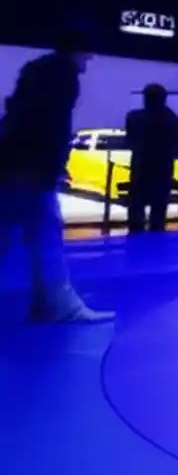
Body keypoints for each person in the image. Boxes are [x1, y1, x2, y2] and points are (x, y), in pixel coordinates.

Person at [0, 34, 113, 322]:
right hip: (30, 169)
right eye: (87, 54)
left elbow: (18, 116)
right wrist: (53, 166)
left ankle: (46, 303)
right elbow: (51, 125)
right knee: (45, 235)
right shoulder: (61, 75)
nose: (88, 61)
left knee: (23, 233)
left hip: (13, 164)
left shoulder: (37, 70)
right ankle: (57, 305)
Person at [124, 83, 178, 233]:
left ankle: (134, 250)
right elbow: (176, 144)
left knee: (136, 215)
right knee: (158, 218)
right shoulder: (172, 119)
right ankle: (156, 251)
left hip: (140, 170)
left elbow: (130, 141)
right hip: (162, 171)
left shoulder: (134, 117)